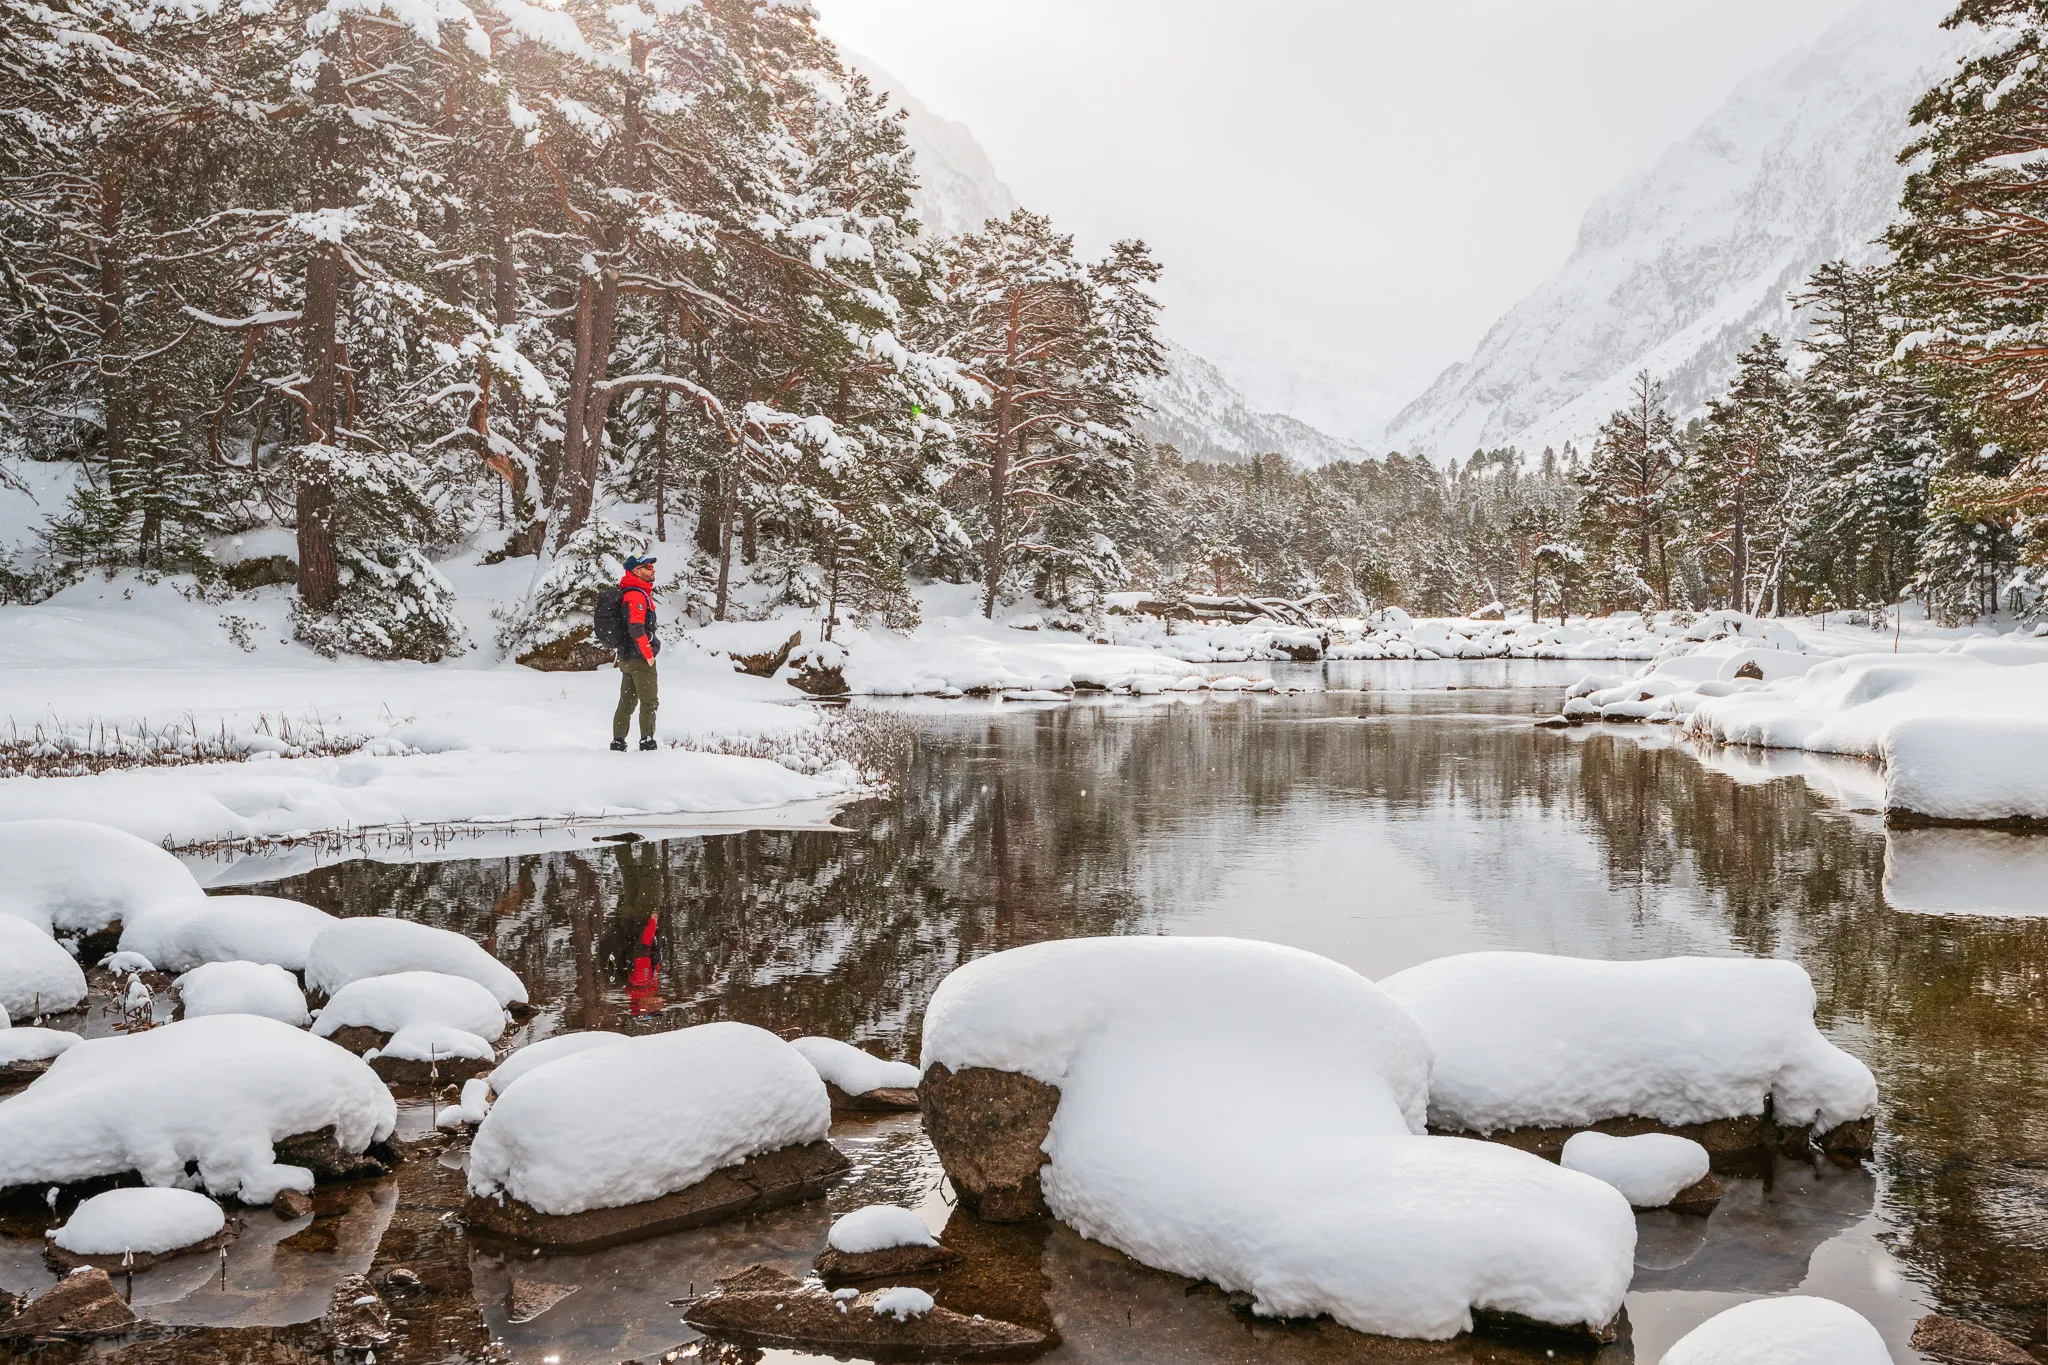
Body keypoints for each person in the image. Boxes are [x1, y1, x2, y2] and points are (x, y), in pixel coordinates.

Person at [611, 555, 660, 752]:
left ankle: (618, 741)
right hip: (639, 659)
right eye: (647, 567)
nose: (652, 570)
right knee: (649, 702)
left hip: (627, 657)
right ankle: (647, 742)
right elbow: (637, 628)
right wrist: (648, 654)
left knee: (627, 702)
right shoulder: (636, 596)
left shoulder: (631, 592)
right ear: (636, 571)